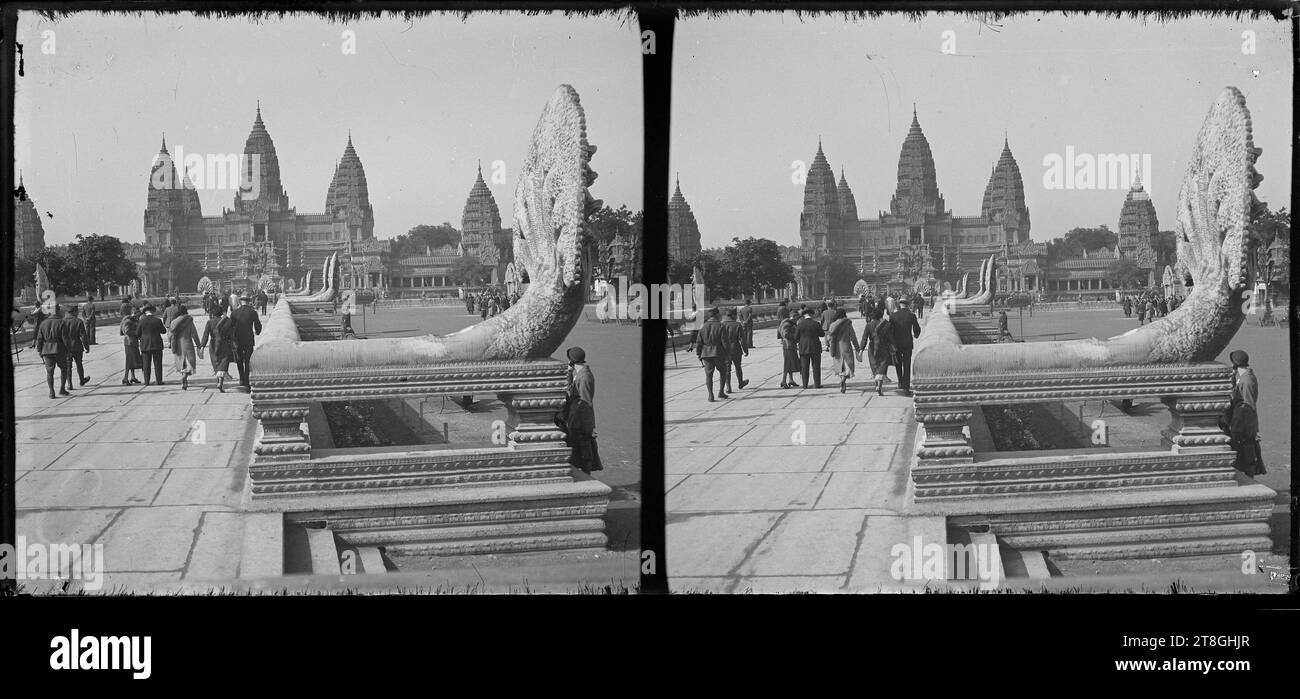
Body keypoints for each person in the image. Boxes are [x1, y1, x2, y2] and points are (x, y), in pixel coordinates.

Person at [1222, 350, 1265, 477]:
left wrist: (1237, 427)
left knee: (1247, 453)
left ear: (1235, 364)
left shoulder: (1247, 381)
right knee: (1242, 453)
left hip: (1244, 423)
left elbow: (1248, 405)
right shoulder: (1242, 377)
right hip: (1239, 420)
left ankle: (1249, 479)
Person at [559, 346, 602, 474]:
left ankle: (586, 475)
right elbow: (571, 389)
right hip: (575, 417)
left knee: (584, 449)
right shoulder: (578, 374)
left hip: (581, 420)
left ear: (571, 361)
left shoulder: (585, 377)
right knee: (577, 448)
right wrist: (569, 373)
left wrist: (578, 423)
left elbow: (585, 401)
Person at [889, 297, 922, 396]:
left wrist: (891, 342)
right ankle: (906, 387)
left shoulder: (893, 316)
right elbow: (917, 329)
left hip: (896, 343)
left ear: (900, 305)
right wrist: (916, 335)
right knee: (906, 364)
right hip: (907, 343)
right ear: (907, 305)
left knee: (898, 363)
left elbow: (890, 331)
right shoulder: (911, 315)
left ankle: (900, 381)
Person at [199, 304, 235, 392]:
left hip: (213, 344)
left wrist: (202, 347)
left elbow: (205, 336)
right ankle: (220, 383)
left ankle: (218, 381)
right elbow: (231, 334)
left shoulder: (210, 322)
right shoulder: (227, 321)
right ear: (221, 313)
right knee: (223, 362)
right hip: (224, 343)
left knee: (216, 362)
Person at [695, 307, 729, 401]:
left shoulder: (703, 326)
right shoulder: (721, 326)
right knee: (723, 372)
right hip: (718, 352)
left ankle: (710, 395)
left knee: (709, 375)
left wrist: (698, 354)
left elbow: (698, 342)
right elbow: (725, 342)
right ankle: (721, 392)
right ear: (717, 315)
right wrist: (728, 354)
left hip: (706, 353)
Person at [35, 305, 67, 399]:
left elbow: (39, 339)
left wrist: (39, 351)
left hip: (47, 350)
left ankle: (51, 392)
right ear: (57, 311)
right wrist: (68, 349)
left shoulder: (43, 323)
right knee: (64, 369)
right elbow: (65, 338)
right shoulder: (61, 322)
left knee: (49, 372)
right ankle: (62, 389)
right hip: (59, 349)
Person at [231, 296, 263, 390]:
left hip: (237, 340)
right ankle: (246, 379)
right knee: (248, 360)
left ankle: (241, 378)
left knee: (239, 359)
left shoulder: (234, 313)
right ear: (249, 302)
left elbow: (231, 327)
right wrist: (257, 332)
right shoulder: (252, 312)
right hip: (248, 339)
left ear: (240, 302)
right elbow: (258, 326)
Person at [862, 306, 894, 396]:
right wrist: (894, 346)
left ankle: (877, 384)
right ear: (881, 315)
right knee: (882, 366)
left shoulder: (869, 325)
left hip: (872, 348)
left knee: (875, 366)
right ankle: (879, 385)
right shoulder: (886, 324)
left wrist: (860, 350)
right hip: (883, 347)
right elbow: (890, 337)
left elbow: (864, 338)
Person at [826, 308, 859, 393]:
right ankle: (844, 380)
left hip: (836, 348)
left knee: (840, 366)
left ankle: (842, 379)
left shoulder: (832, 325)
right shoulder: (847, 324)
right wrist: (857, 348)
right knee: (848, 366)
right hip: (846, 346)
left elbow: (829, 337)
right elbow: (853, 336)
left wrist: (829, 344)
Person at [169, 303, 200, 390]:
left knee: (182, 363)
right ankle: (185, 377)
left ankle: (183, 377)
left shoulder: (173, 322)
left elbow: (170, 335)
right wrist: (198, 344)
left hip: (177, 345)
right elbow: (194, 333)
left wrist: (170, 343)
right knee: (188, 362)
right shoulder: (189, 321)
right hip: (187, 344)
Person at [136, 305, 167, 386]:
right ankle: (159, 381)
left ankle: (146, 381)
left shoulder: (141, 321)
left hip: (145, 345)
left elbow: (137, 333)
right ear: (153, 311)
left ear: (145, 312)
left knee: (146, 364)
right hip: (156, 344)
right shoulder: (157, 320)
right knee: (158, 363)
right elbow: (163, 331)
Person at [795, 307, 825, 389]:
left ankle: (805, 385)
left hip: (804, 347)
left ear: (804, 315)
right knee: (816, 366)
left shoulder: (800, 324)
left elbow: (795, 336)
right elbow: (822, 334)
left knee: (804, 367)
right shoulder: (816, 323)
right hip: (815, 347)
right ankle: (817, 384)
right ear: (812, 315)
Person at [61, 305, 91, 388]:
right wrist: (86, 347)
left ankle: (69, 384)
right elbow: (83, 336)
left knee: (68, 366)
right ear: (74, 312)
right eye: (77, 311)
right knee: (79, 364)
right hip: (77, 346)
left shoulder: (62, 321)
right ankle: (82, 380)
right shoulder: (78, 321)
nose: (78, 313)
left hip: (66, 347)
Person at [720, 307, 748, 392]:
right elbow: (742, 339)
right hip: (735, 348)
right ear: (733, 315)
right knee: (738, 366)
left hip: (725, 350)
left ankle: (728, 387)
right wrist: (745, 350)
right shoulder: (737, 325)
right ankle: (740, 383)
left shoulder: (722, 325)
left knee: (727, 368)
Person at [778, 309, 800, 389]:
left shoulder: (788, 323)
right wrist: (795, 336)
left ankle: (791, 379)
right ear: (793, 317)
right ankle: (783, 380)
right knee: (787, 363)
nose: (797, 320)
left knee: (790, 363)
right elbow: (786, 334)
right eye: (796, 318)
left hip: (790, 345)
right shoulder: (787, 324)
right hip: (788, 345)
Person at [120, 308, 142, 385]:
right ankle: (125, 378)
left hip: (132, 342)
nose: (138, 316)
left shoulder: (131, 321)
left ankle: (132, 377)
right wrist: (136, 333)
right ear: (134, 313)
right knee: (129, 361)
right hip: (129, 342)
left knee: (132, 360)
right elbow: (127, 331)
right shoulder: (128, 321)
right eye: (137, 314)